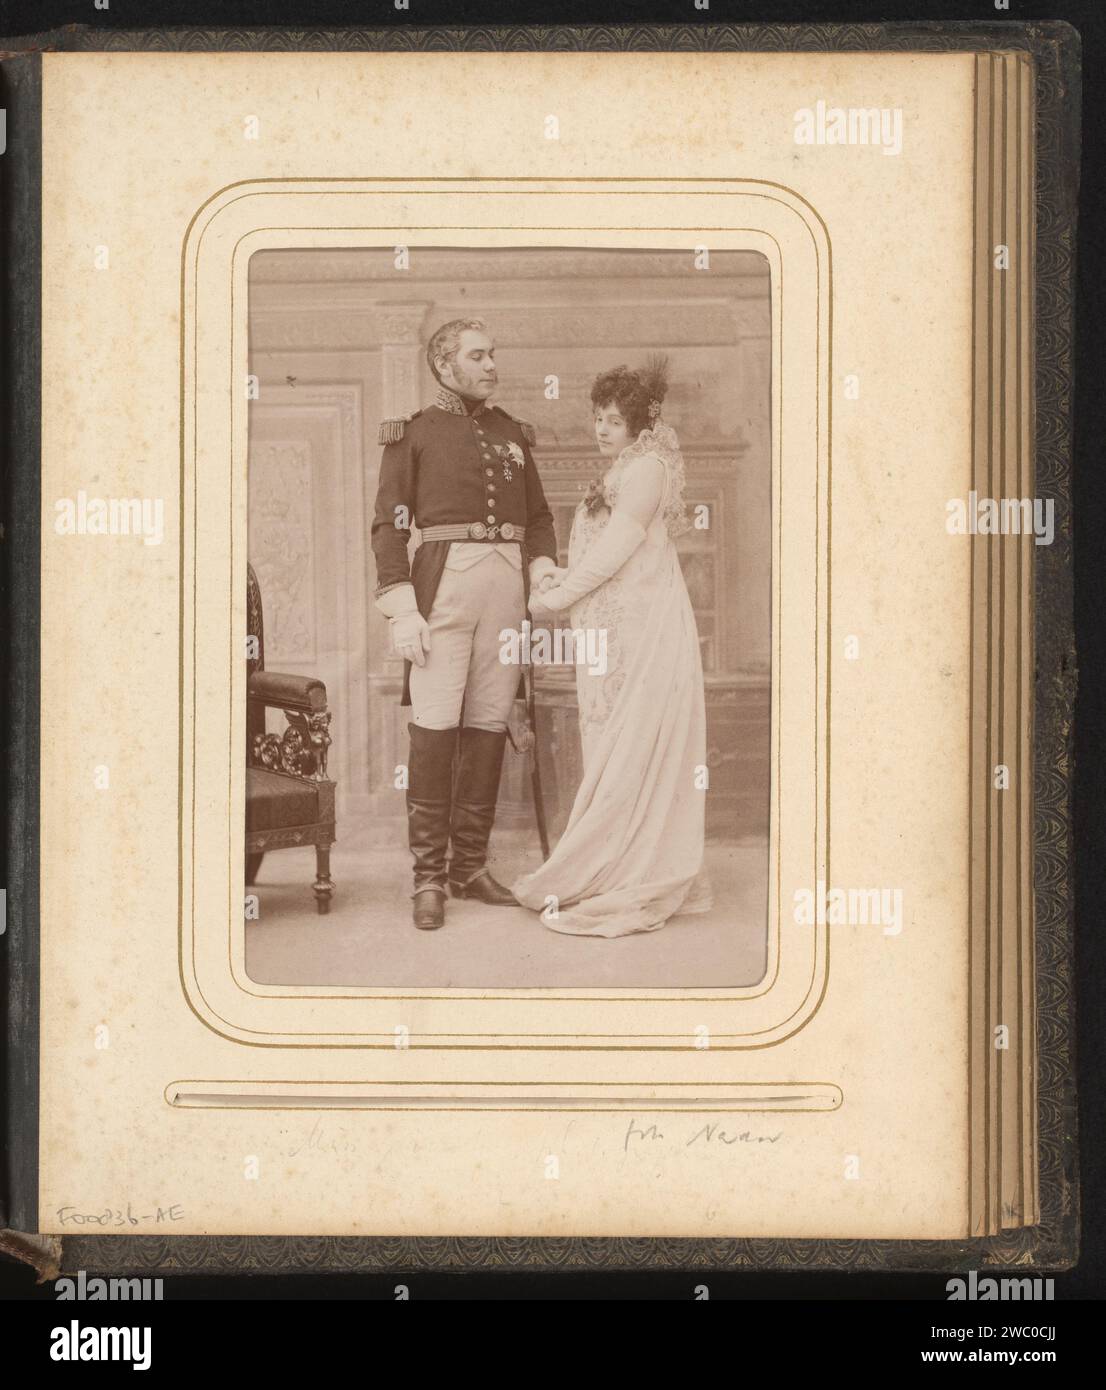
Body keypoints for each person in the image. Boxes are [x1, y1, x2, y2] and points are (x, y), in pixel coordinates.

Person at [511, 358, 713, 937]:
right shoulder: (628, 467)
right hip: (614, 629)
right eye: (598, 417)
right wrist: (556, 580)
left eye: (614, 420)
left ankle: (628, 871)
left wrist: (552, 598)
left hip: (645, 631)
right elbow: (601, 554)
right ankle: (612, 863)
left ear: (640, 426)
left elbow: (619, 547)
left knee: (631, 746)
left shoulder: (646, 468)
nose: (601, 428)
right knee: (611, 744)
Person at [371, 318, 559, 930]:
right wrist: (401, 606)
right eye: (479, 356)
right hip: (442, 588)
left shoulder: (511, 434)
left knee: (485, 723)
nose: (491, 365)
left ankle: (469, 867)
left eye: (493, 353)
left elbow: (538, 517)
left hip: (506, 591)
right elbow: (389, 526)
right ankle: (428, 877)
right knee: (434, 729)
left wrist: (542, 572)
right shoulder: (414, 434)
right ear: (444, 365)